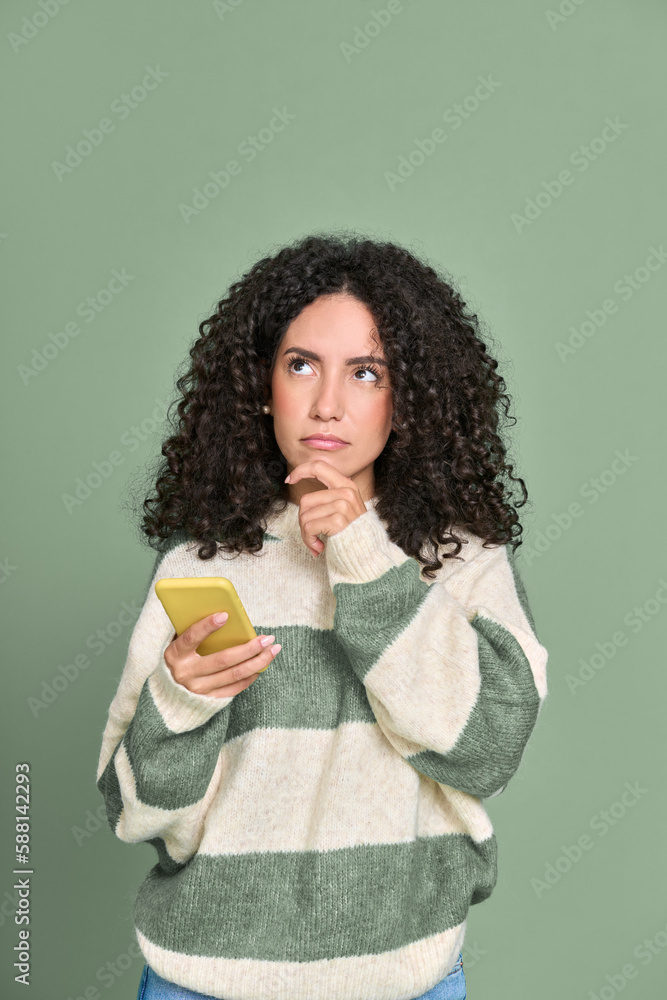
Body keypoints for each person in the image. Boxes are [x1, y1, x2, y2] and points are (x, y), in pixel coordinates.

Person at [96, 232, 548, 1000]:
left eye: (366, 373)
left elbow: (486, 753)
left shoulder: (461, 562)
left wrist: (364, 558)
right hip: (203, 979)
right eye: (300, 364)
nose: (327, 403)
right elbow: (133, 809)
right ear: (260, 386)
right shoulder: (199, 565)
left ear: (409, 398)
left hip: (404, 979)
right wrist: (181, 698)